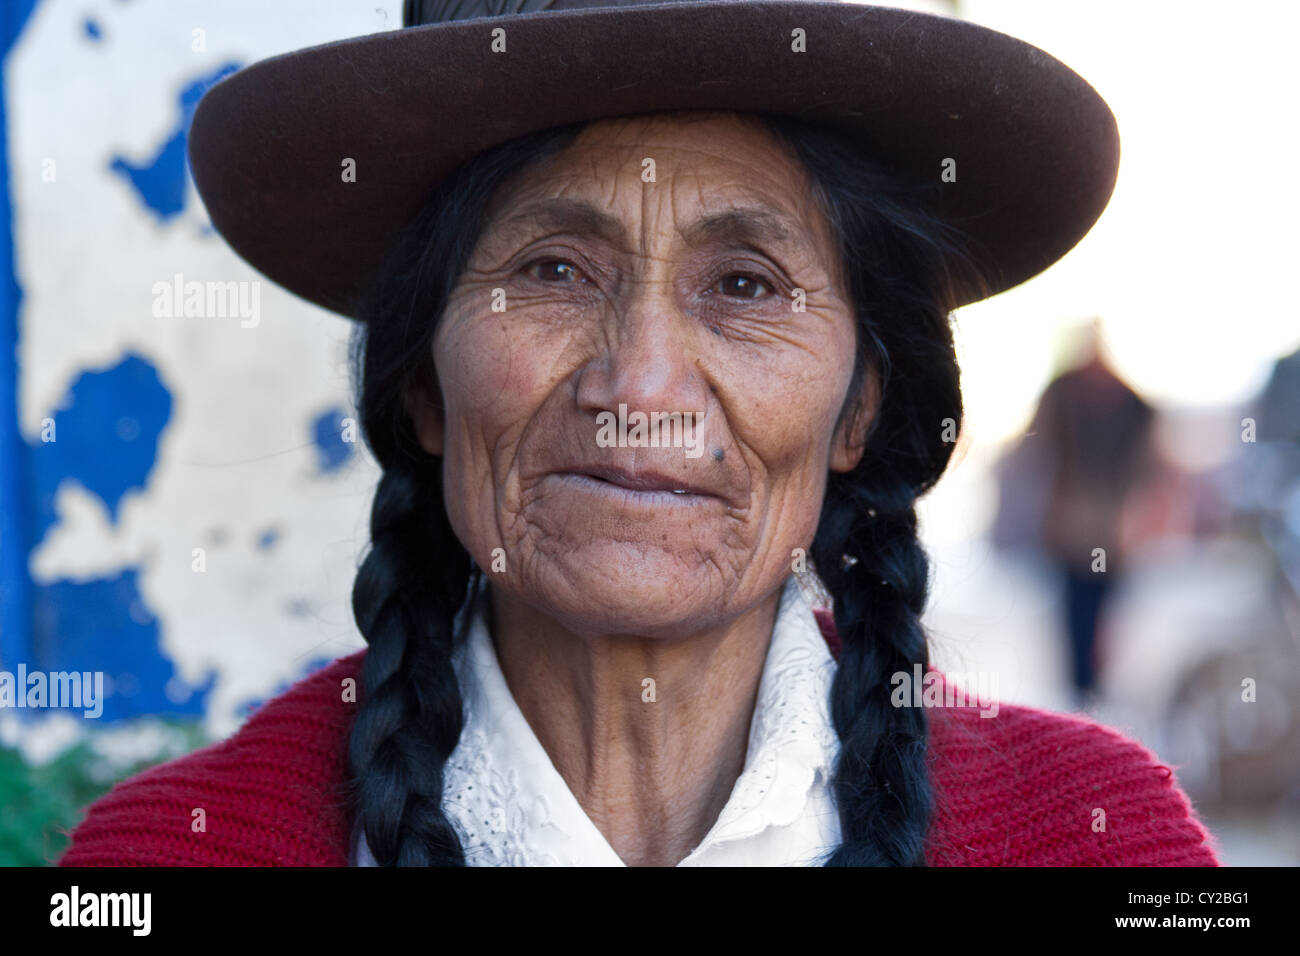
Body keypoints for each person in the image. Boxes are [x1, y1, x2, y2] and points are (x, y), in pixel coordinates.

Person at [58, 0, 1218, 866]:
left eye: (748, 286)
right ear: (422, 382)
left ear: (860, 404)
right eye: (553, 270)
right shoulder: (169, 858)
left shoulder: (1099, 837)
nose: (642, 384)